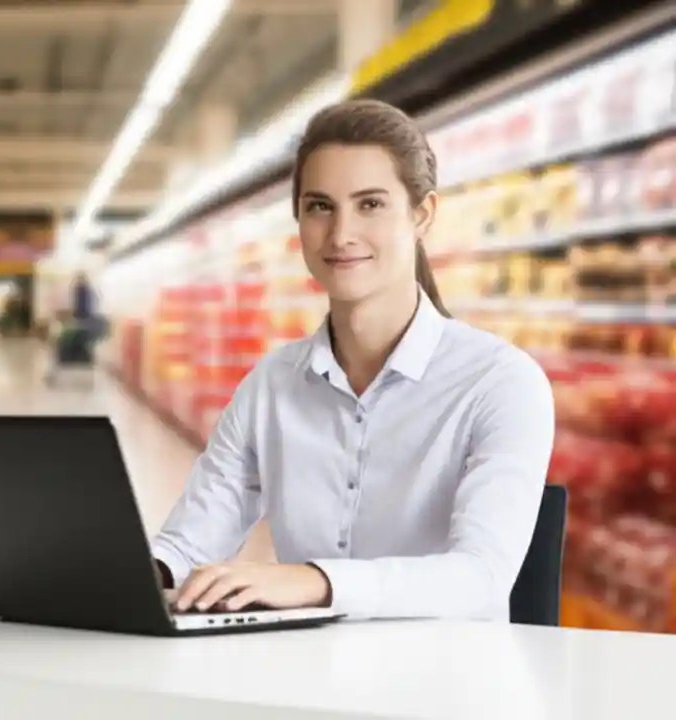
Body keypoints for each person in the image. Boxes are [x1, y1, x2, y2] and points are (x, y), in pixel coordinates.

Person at [150, 99, 555, 622]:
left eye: (370, 205)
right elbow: (187, 546)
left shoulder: (500, 384)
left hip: (446, 688)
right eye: (320, 206)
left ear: (422, 215)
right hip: (308, 685)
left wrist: (313, 581)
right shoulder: (269, 387)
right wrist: (134, 575)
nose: (341, 235)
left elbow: (479, 577)